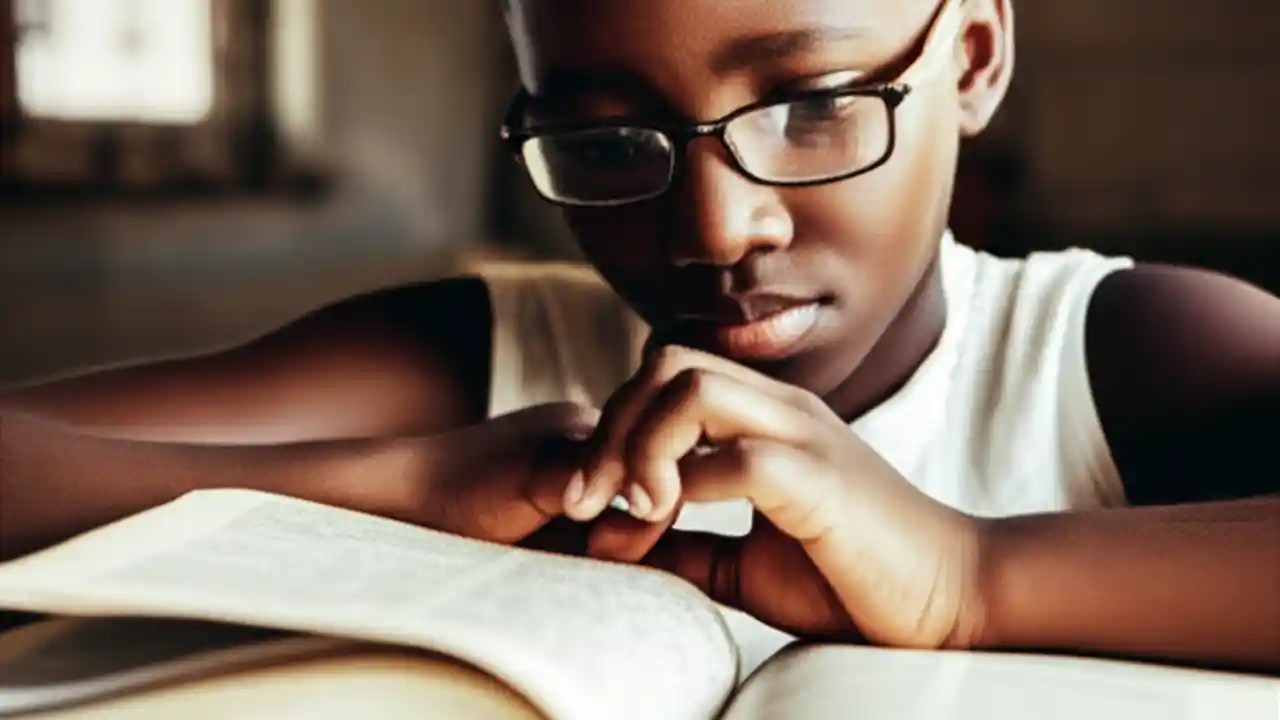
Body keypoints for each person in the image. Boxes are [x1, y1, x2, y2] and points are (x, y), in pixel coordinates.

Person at [2, 0, 1277, 671]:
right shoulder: (471, 360)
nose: (716, 229)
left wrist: (965, 580)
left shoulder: (1115, 355)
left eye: (813, 108)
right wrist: (403, 485)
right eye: (605, 142)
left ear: (975, 58)